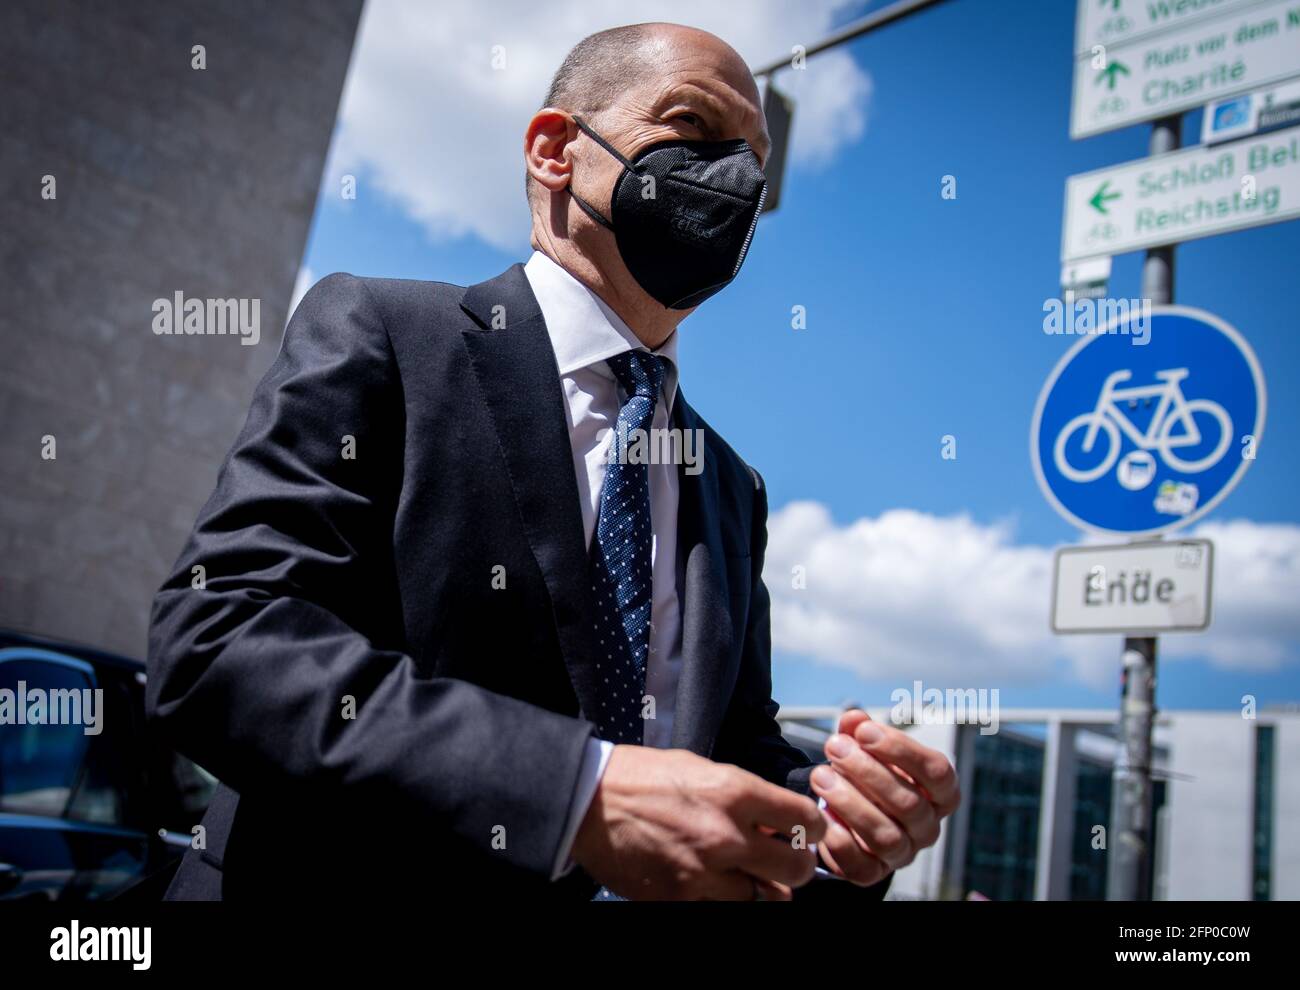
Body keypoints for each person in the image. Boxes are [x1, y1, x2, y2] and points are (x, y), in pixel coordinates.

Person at [147, 21, 959, 902]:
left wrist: (829, 826)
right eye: (692, 128)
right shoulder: (385, 335)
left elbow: (733, 748)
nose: (733, 179)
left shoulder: (730, 487)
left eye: (755, 164)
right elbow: (221, 641)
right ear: (554, 151)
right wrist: (579, 793)